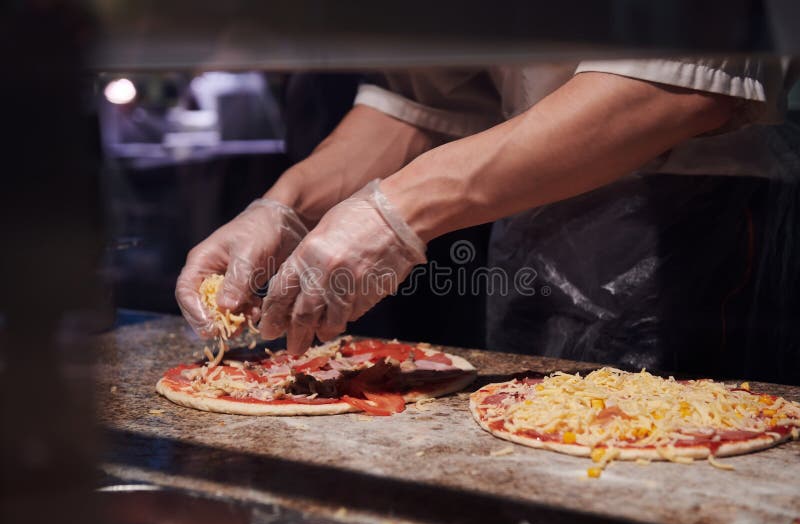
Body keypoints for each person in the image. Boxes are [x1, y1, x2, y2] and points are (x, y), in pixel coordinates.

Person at [176, 58, 800, 379]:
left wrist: (397, 210)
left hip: (712, 220)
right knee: (533, 469)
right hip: (521, 210)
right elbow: (421, 103)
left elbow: (680, 87)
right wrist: (285, 208)